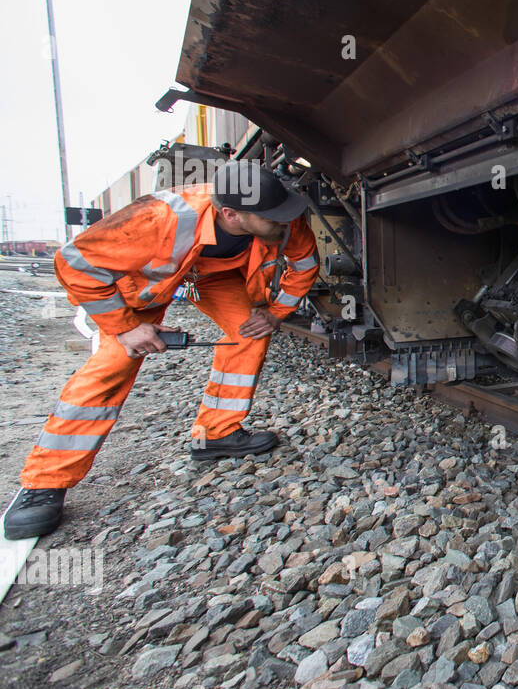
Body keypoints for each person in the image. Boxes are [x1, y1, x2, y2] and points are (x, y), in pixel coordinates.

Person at [3, 161, 320, 540]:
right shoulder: (159, 218)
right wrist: (127, 328)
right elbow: (74, 263)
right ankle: (43, 483)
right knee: (116, 362)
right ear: (230, 215)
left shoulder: (279, 214)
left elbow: (305, 264)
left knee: (248, 333)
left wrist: (274, 314)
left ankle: (216, 433)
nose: (286, 222)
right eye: (273, 218)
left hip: (215, 277)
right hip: (148, 285)